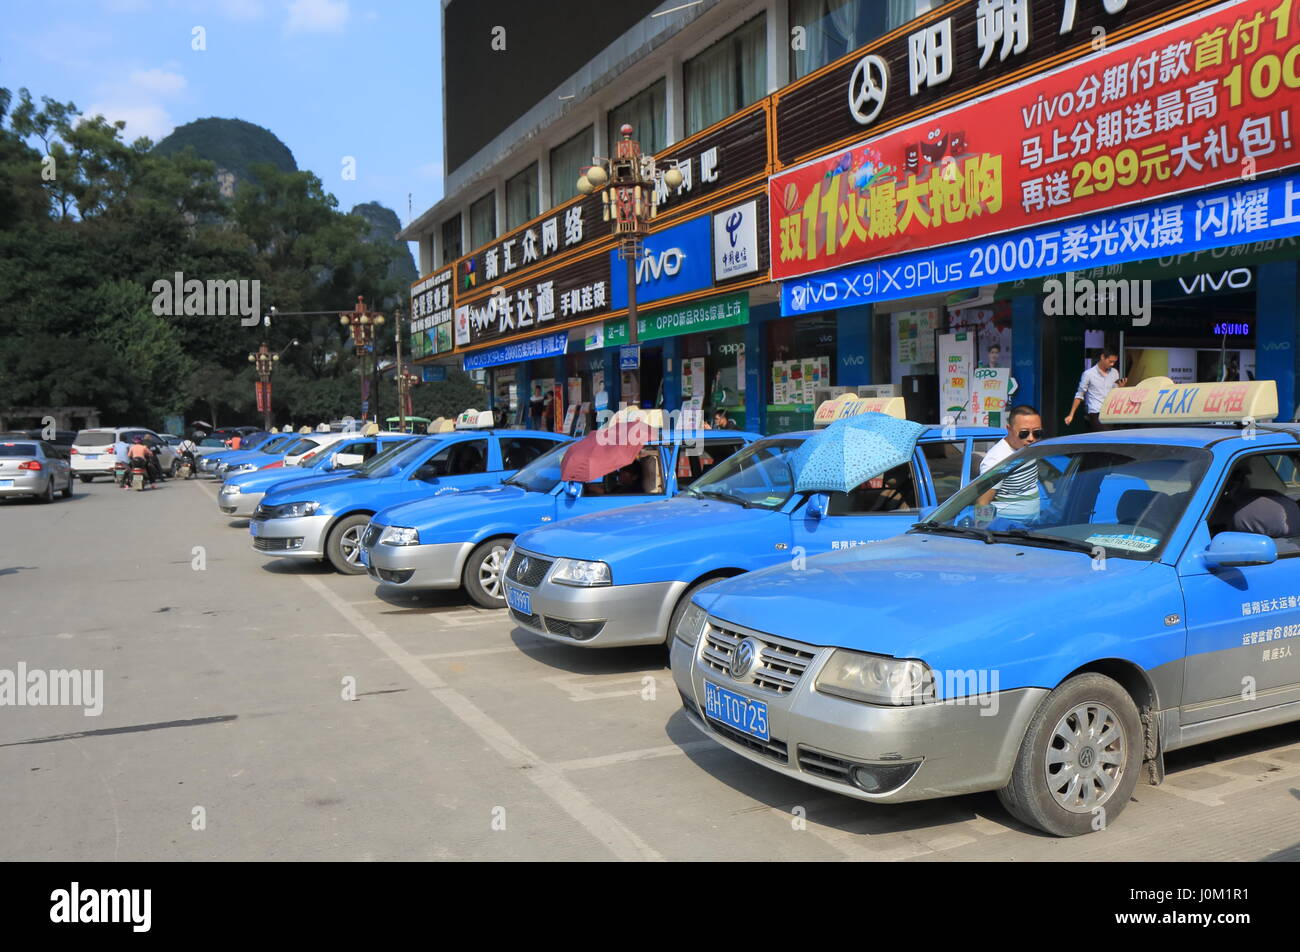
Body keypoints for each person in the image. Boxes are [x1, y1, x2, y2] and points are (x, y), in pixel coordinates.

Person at [977, 405, 1044, 520]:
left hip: (1031, 528)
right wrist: (985, 531)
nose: (1031, 438)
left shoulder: (1028, 448)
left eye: (1037, 433)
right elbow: (983, 503)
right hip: (1008, 532)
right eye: (1024, 433)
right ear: (1009, 429)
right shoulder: (997, 460)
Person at [1065, 348, 1127, 431]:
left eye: (1114, 362)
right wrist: (1071, 415)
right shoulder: (1088, 374)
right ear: (1102, 357)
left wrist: (1121, 387)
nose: (1112, 364)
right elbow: (1080, 394)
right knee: (1105, 436)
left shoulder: (1114, 372)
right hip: (1096, 411)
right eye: (1110, 361)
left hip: (1111, 411)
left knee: (1111, 438)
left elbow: (1115, 393)